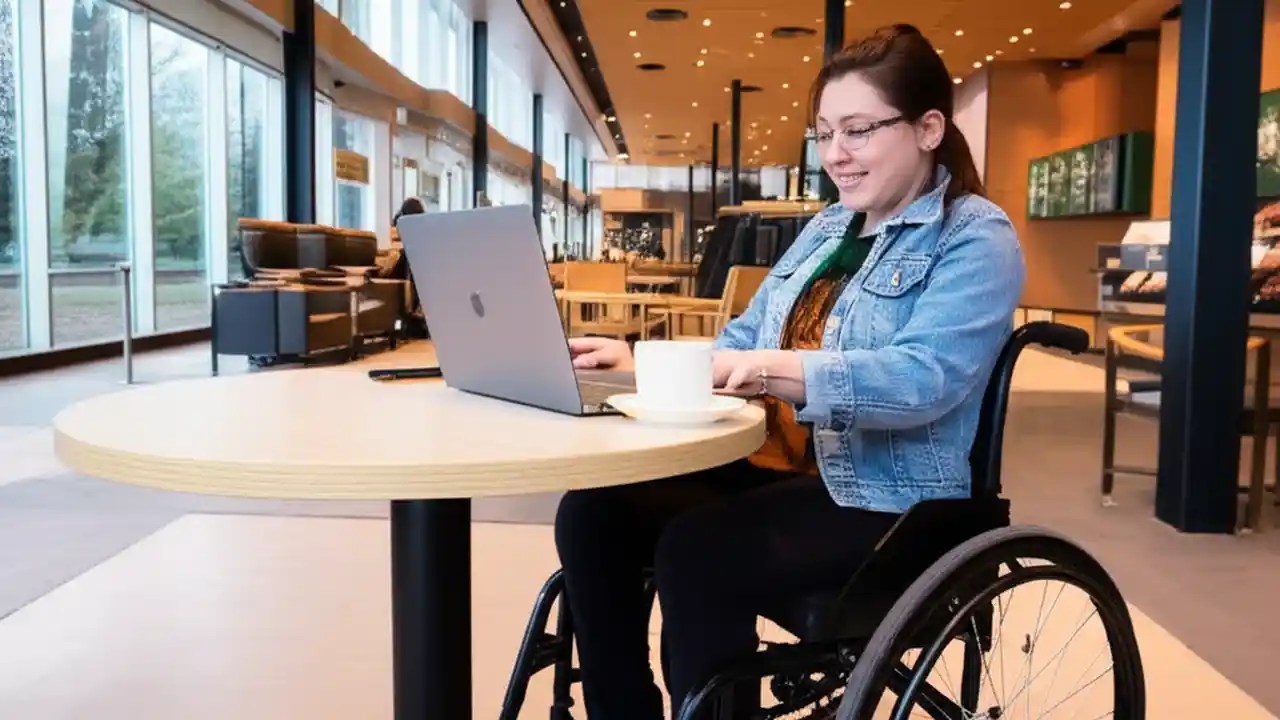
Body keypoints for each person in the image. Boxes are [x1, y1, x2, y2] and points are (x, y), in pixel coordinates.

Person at [553, 23, 1026, 719]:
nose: (837, 154)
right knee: (594, 510)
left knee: (697, 550)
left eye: (858, 130)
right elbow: (744, 336)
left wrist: (778, 370)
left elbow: (926, 377)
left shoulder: (975, 235)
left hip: (889, 496)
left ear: (929, 128)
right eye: (825, 134)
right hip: (775, 465)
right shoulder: (830, 227)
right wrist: (639, 359)